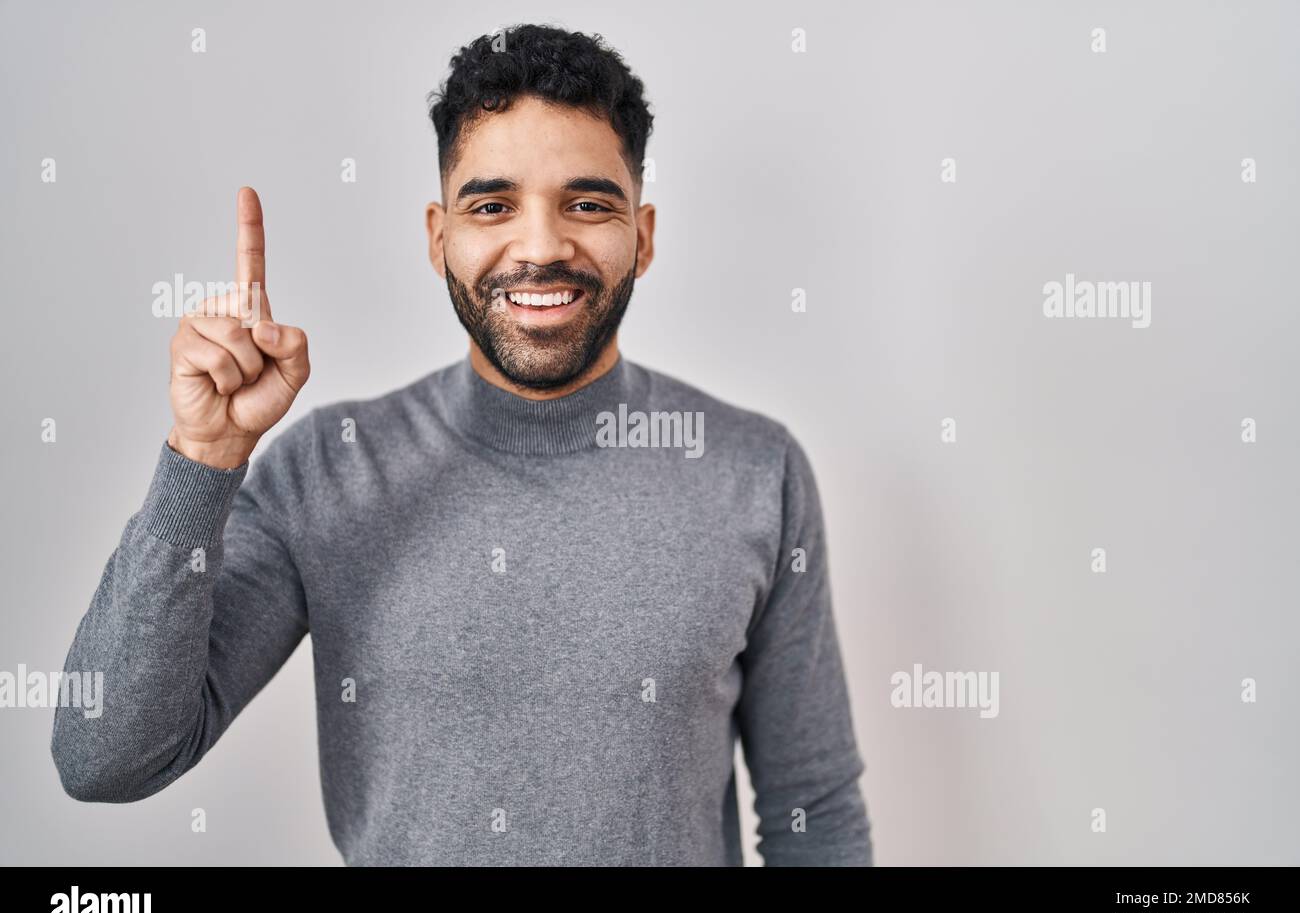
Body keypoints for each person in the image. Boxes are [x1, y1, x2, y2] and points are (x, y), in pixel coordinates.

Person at [50, 23, 873, 866]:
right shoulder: (328, 469)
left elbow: (816, 810)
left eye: (588, 203)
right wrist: (202, 460)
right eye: (493, 206)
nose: (543, 247)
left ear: (646, 235)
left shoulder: (754, 471)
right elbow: (104, 757)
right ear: (439, 236)